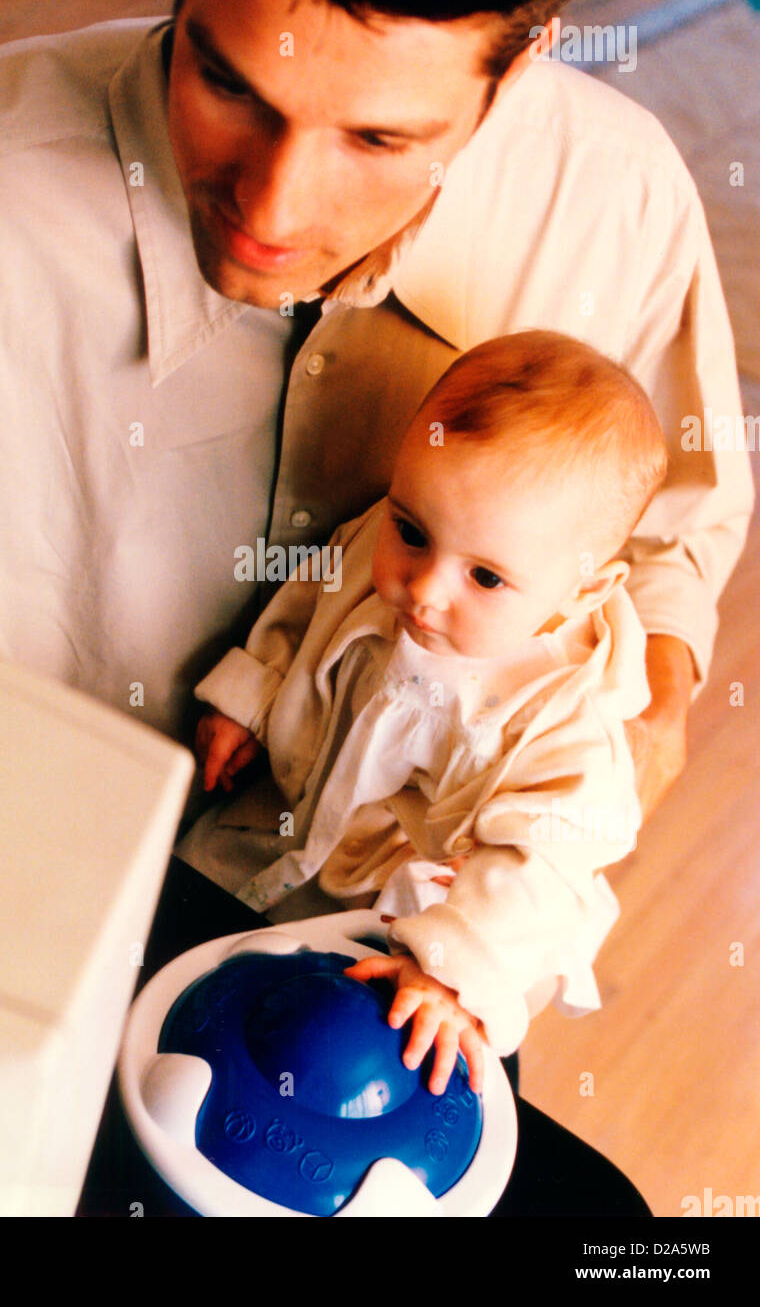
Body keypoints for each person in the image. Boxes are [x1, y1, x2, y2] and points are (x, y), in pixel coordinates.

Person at [0, 0, 752, 812]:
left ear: (516, 72)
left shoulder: (616, 199)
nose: (270, 214)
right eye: (229, 86)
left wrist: (650, 711)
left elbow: (669, 528)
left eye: (377, 140)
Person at [190, 331, 670, 1095]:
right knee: (189, 934)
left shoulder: (566, 727)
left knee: (358, 1053)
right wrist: (252, 696)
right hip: (289, 818)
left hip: (420, 912)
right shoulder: (384, 549)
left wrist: (452, 966)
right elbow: (308, 603)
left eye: (485, 576)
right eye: (411, 531)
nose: (424, 588)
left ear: (582, 592)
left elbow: (541, 865)